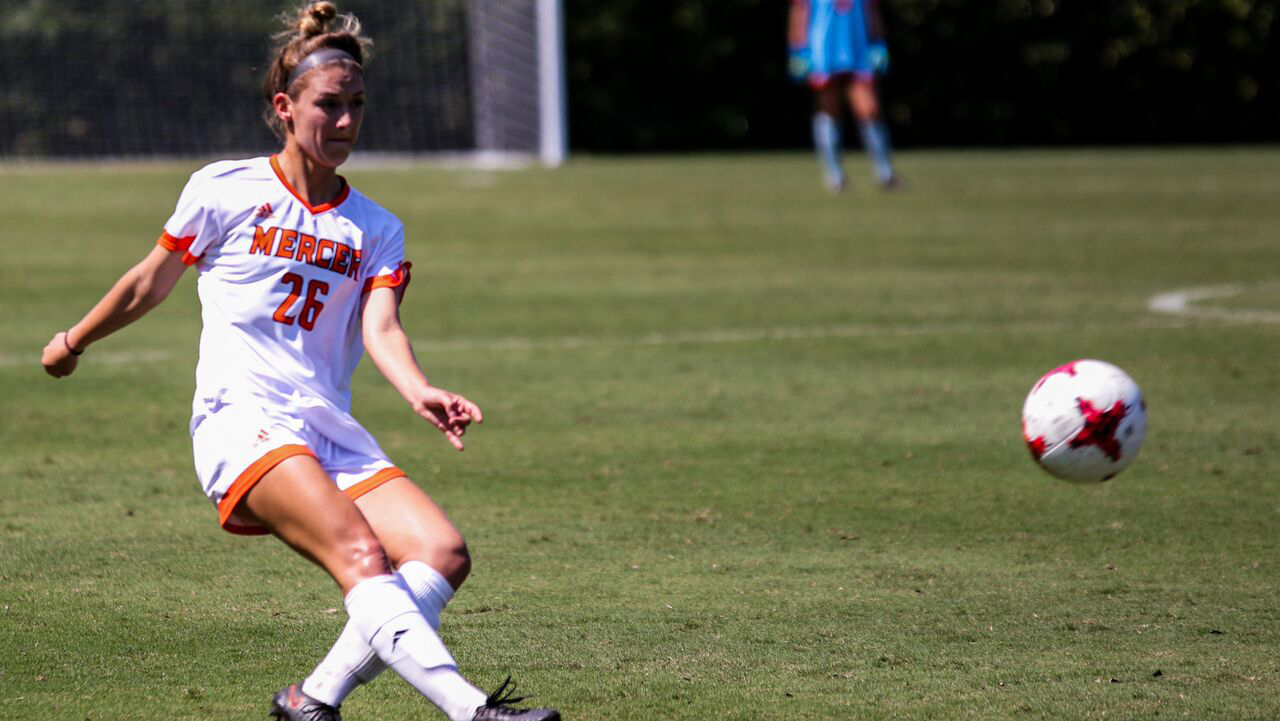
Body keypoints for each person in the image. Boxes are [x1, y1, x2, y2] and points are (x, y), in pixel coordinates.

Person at [40, 4, 560, 721]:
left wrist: (417, 388)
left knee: (441, 552)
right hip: (242, 421)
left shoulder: (377, 227)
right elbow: (147, 282)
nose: (345, 122)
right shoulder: (224, 190)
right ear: (285, 108)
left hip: (325, 426)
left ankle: (312, 699)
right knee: (362, 556)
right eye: (329, 106)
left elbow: (381, 323)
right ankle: (472, 711)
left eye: (356, 106)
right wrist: (74, 340)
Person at [788, 0, 899, 191]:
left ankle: (885, 172)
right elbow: (800, 11)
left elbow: (872, 10)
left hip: (858, 50)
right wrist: (798, 49)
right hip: (823, 51)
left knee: (870, 109)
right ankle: (835, 175)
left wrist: (878, 42)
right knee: (830, 111)